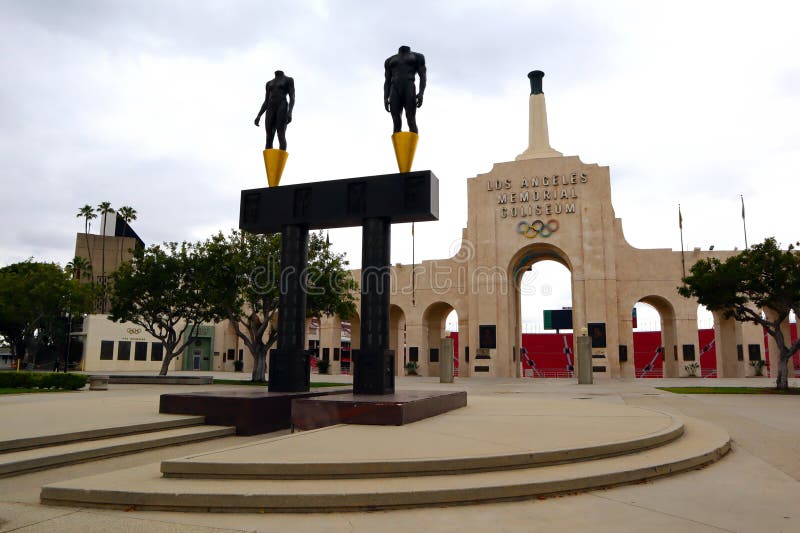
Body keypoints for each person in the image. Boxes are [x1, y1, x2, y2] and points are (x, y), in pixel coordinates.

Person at [384, 46, 426, 133]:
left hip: (409, 88)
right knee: (396, 121)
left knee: (411, 119)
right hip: (394, 89)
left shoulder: (417, 57)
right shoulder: (389, 61)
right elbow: (387, 81)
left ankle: (412, 142)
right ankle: (398, 142)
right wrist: (385, 97)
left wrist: (421, 93)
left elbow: (423, 76)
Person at [254, 70, 295, 150]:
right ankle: (270, 158)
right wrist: (259, 115)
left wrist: (290, 112)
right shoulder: (269, 83)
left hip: (282, 106)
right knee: (269, 137)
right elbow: (266, 101)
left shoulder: (288, 80)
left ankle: (281, 157)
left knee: (281, 134)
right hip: (270, 107)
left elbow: (292, 97)